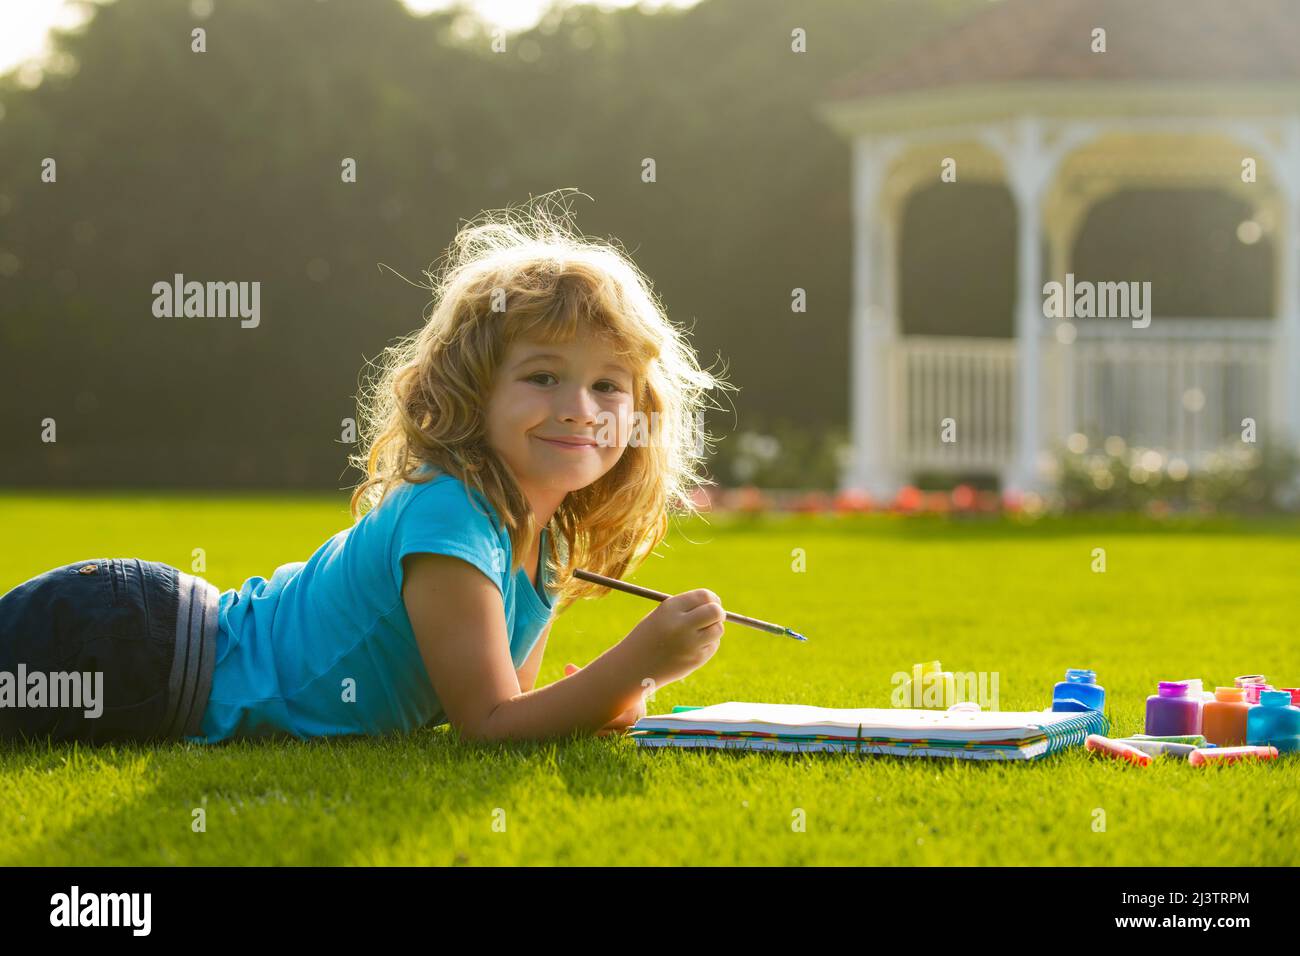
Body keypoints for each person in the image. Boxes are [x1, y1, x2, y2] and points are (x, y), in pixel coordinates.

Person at [0, 191, 734, 746]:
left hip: (156, 653)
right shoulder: (452, 511)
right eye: (542, 377)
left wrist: (606, 701)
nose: (580, 407)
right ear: (473, 393)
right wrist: (636, 664)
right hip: (140, 647)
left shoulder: (548, 542)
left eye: (607, 385)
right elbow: (486, 725)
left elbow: (507, 700)